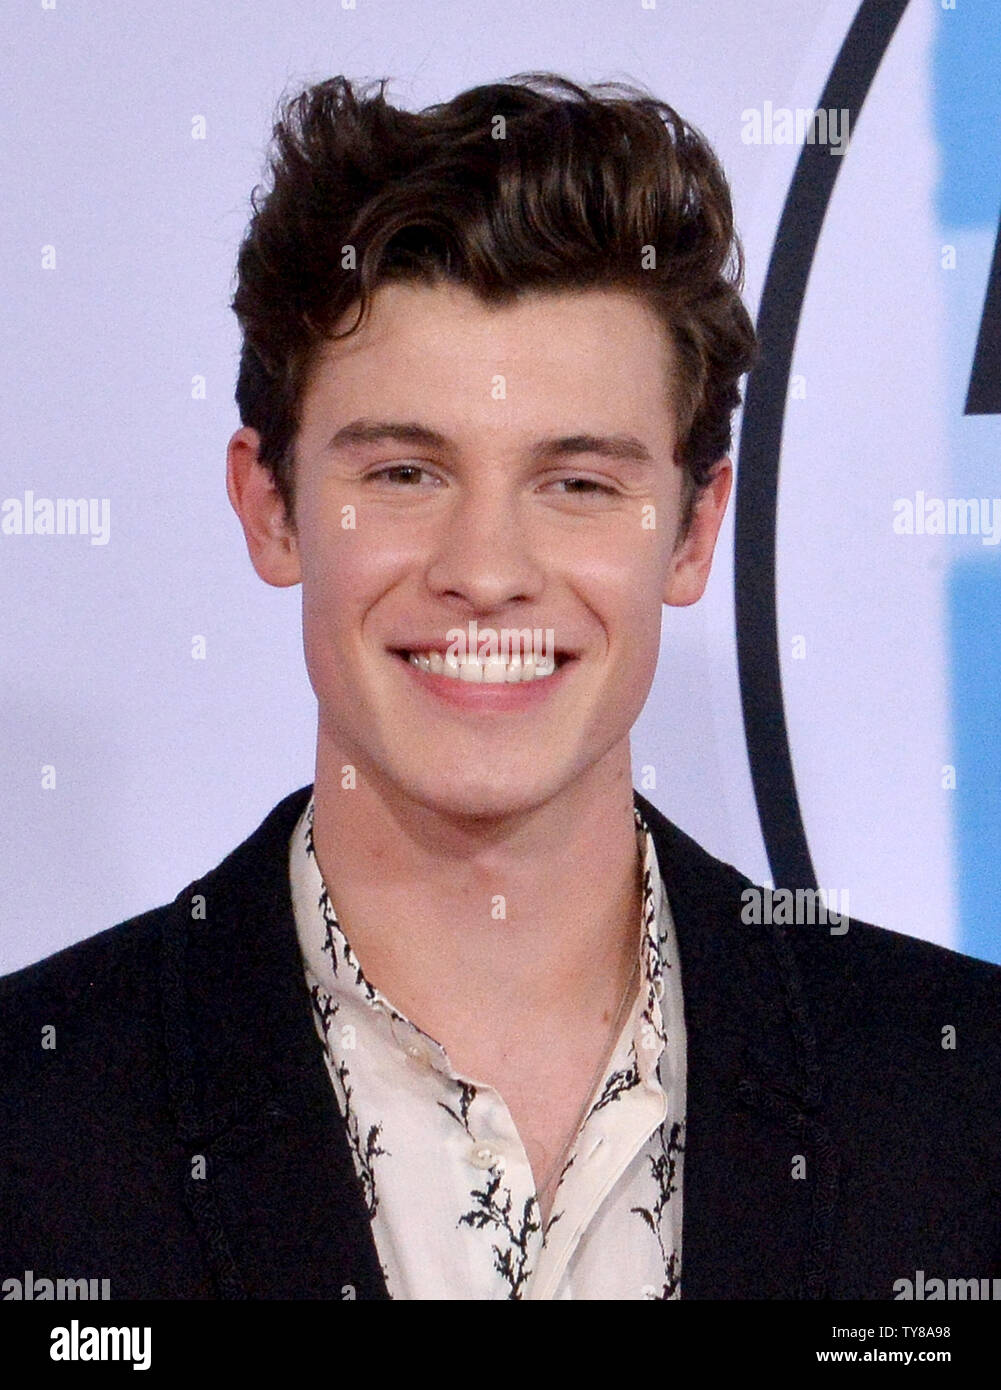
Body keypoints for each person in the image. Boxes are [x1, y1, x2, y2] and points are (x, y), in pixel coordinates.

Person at [2, 72, 999, 1303]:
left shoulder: (959, 1096)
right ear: (271, 508)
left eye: (576, 483)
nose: (485, 572)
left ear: (693, 533)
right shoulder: (34, 1114)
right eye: (408, 472)